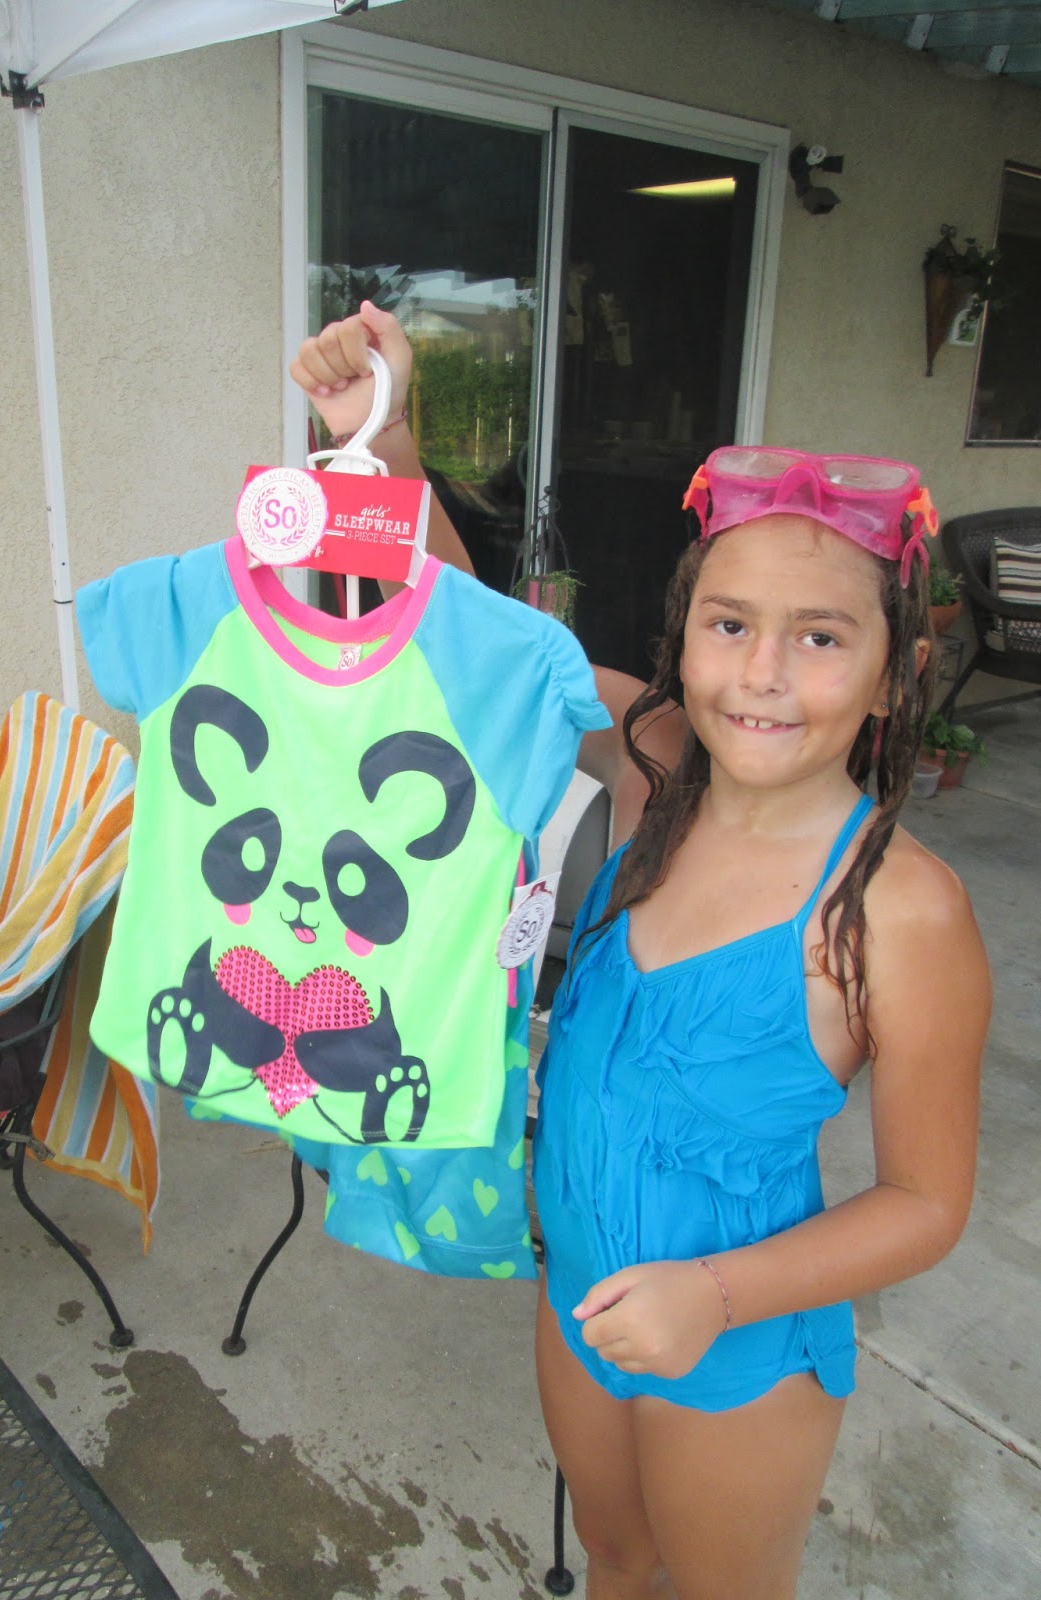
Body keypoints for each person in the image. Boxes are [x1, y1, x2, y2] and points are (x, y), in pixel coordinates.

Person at [291, 303, 991, 1599]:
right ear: (686, 642)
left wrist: (715, 1297)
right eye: (730, 625)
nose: (763, 674)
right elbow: (472, 637)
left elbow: (926, 1205)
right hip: (579, 1292)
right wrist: (383, 445)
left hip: (742, 1340)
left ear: (895, 675)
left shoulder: (901, 909)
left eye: (821, 637)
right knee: (619, 1561)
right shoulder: (656, 768)